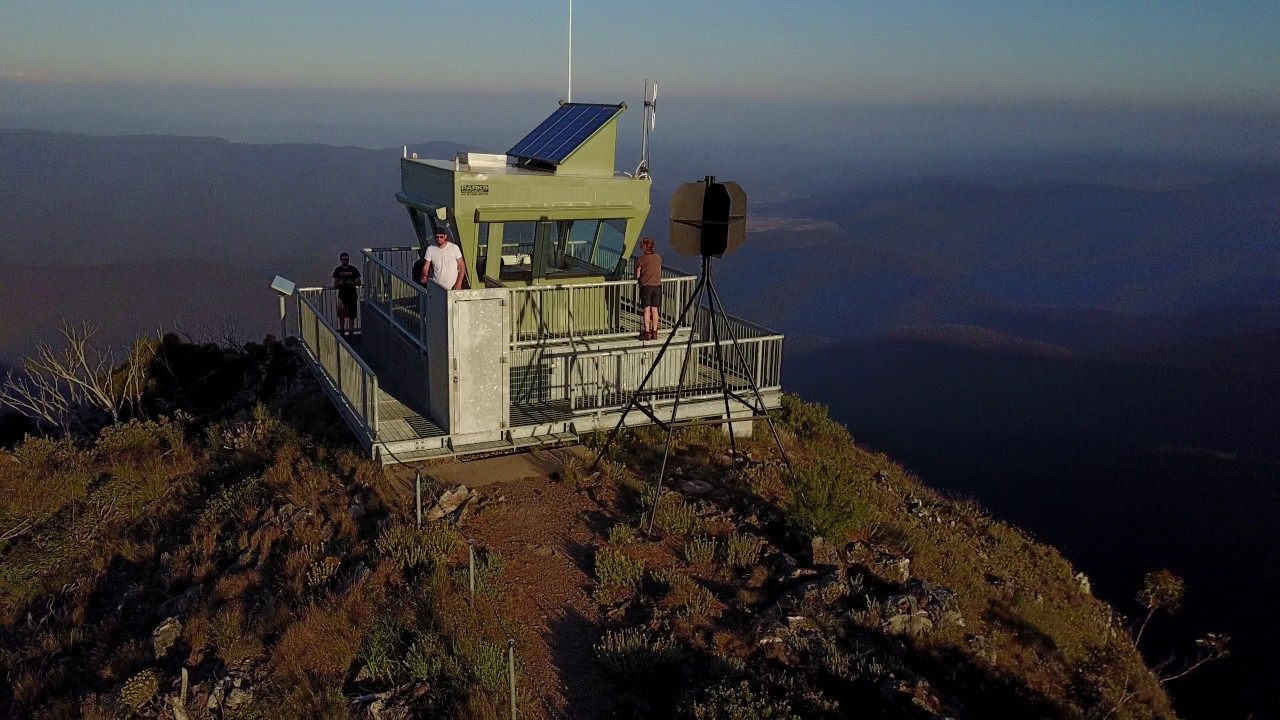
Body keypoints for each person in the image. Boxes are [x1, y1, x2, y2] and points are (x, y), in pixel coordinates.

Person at [635, 237, 663, 340]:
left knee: (646, 310)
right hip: (657, 285)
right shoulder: (658, 257)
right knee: (655, 310)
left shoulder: (641, 259)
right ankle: (655, 332)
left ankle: (647, 332)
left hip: (646, 286)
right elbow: (659, 270)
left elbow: (638, 275)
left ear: (644, 247)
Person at [332, 252, 362, 335]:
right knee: (342, 315)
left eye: (347, 259)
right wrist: (339, 283)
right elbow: (335, 285)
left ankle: (351, 332)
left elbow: (359, 282)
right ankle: (342, 331)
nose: (346, 261)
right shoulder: (338, 270)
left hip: (352, 295)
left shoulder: (354, 269)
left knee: (351, 315)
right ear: (341, 260)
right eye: (344, 259)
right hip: (342, 295)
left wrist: (353, 282)